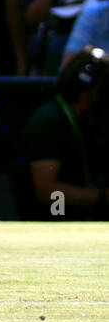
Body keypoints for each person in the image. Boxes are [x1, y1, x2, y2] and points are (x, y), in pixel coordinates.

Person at [25, 47, 109, 219]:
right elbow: (47, 191)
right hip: (55, 218)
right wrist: (102, 196)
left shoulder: (90, 120)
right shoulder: (49, 120)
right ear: (89, 87)